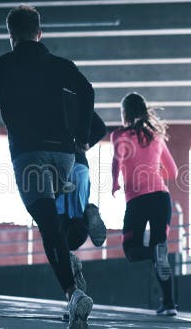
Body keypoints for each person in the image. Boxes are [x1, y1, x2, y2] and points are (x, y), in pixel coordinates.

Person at [0, 5, 95, 328]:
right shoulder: (60, 64)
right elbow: (87, 90)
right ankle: (71, 250)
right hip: (64, 155)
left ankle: (72, 292)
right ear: (40, 33)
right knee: (54, 217)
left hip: (28, 155)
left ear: (10, 35)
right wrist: (81, 138)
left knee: (47, 224)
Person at [111, 93, 178, 316]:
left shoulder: (120, 135)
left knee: (131, 250)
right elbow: (173, 172)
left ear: (125, 113)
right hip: (161, 198)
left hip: (137, 200)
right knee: (161, 250)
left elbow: (117, 159)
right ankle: (169, 305)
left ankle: (152, 254)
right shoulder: (156, 136)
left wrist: (114, 181)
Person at [58, 112, 108, 322]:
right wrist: (85, 144)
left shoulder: (47, 100)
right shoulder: (77, 103)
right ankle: (88, 214)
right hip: (81, 166)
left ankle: (73, 289)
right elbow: (101, 128)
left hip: (59, 165)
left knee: (57, 233)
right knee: (75, 225)